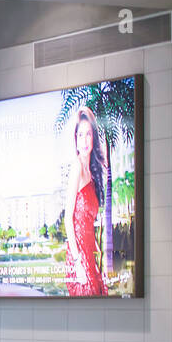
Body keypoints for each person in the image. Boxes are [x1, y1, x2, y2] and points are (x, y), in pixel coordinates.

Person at [65, 106, 108, 296]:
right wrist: (77, 263)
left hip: (90, 254)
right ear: (75, 140)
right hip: (79, 257)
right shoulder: (76, 168)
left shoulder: (92, 173)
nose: (84, 140)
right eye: (80, 135)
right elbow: (68, 219)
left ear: (93, 138)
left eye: (88, 134)